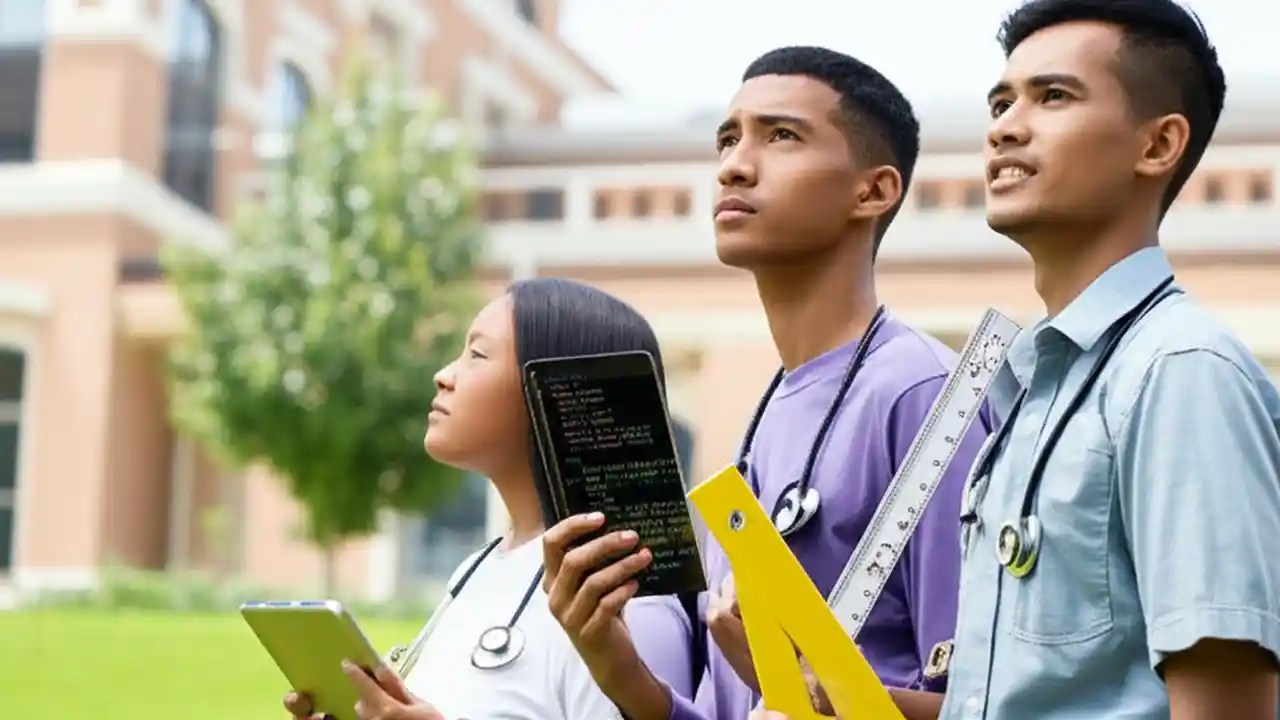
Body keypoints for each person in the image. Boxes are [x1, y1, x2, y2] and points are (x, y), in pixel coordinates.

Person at [757, 1, 1280, 719]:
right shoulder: (1025, 401)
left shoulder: (1180, 372)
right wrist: (849, 702)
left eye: (1053, 96)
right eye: (1001, 101)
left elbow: (1229, 704)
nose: (1005, 125)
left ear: (1157, 146)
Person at [539, 45, 993, 720]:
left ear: (873, 190)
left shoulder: (921, 396)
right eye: (727, 139)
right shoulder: (768, 413)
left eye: (781, 136)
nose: (734, 165)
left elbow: (980, 705)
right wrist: (613, 662)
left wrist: (810, 690)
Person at [281, 277, 697, 720]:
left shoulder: (631, 599)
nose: (443, 376)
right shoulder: (475, 572)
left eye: (477, 355)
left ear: (558, 390)